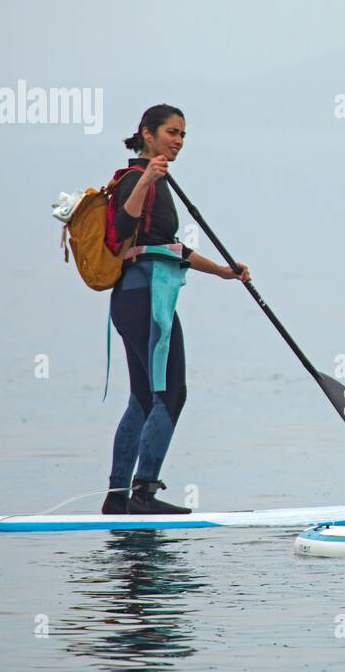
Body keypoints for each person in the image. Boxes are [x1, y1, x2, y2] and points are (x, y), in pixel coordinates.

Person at [101, 104, 251, 515]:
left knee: (144, 398)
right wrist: (148, 175)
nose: (178, 141)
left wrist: (222, 271)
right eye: (171, 132)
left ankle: (117, 500)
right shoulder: (138, 178)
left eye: (183, 134)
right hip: (146, 300)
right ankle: (143, 494)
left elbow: (170, 247)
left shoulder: (155, 181)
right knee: (171, 394)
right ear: (147, 134)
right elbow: (120, 228)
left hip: (138, 299)